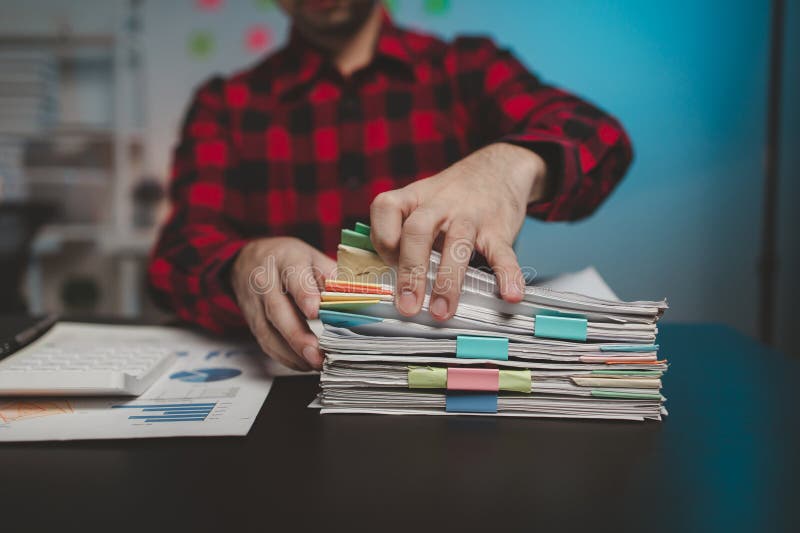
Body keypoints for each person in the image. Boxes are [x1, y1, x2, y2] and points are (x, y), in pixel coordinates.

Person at [148, 0, 633, 371]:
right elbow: (176, 253)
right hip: (290, 400)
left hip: (463, 386)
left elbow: (600, 137)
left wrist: (513, 165)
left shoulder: (468, 68)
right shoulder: (226, 104)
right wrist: (242, 262)